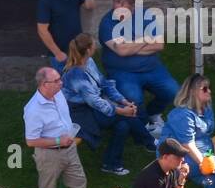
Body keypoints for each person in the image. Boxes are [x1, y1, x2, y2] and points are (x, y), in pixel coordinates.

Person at [62, 33, 153, 177]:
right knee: (126, 118)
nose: (96, 46)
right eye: (93, 44)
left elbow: (104, 83)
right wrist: (123, 111)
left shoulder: (89, 62)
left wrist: (123, 101)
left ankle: (111, 164)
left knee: (123, 125)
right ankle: (150, 143)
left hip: (94, 107)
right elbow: (95, 102)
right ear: (88, 50)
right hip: (82, 114)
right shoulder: (76, 75)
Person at [23, 66, 95, 188]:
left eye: (59, 79)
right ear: (43, 84)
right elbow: (31, 141)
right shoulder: (33, 110)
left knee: (79, 183)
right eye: (56, 81)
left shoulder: (58, 94)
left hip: (69, 149)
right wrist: (57, 141)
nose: (61, 83)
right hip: (49, 155)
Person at [98, 0, 179, 118]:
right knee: (134, 97)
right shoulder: (107, 23)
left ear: (133, 8)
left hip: (152, 68)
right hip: (123, 71)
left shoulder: (146, 16)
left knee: (172, 91)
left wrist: (130, 46)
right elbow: (121, 51)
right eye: (116, 9)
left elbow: (159, 45)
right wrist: (146, 39)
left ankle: (153, 114)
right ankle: (143, 126)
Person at [158, 74, 215, 188]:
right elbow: (187, 144)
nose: (209, 91)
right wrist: (205, 163)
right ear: (193, 91)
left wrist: (207, 160)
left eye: (209, 87)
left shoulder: (206, 109)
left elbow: (205, 135)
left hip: (199, 156)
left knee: (212, 182)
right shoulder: (182, 114)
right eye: (205, 89)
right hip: (178, 159)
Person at [37, 0, 91, 70]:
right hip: (61, 55)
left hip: (79, 50)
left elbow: (89, 7)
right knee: (63, 86)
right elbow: (42, 30)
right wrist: (58, 54)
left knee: (86, 84)